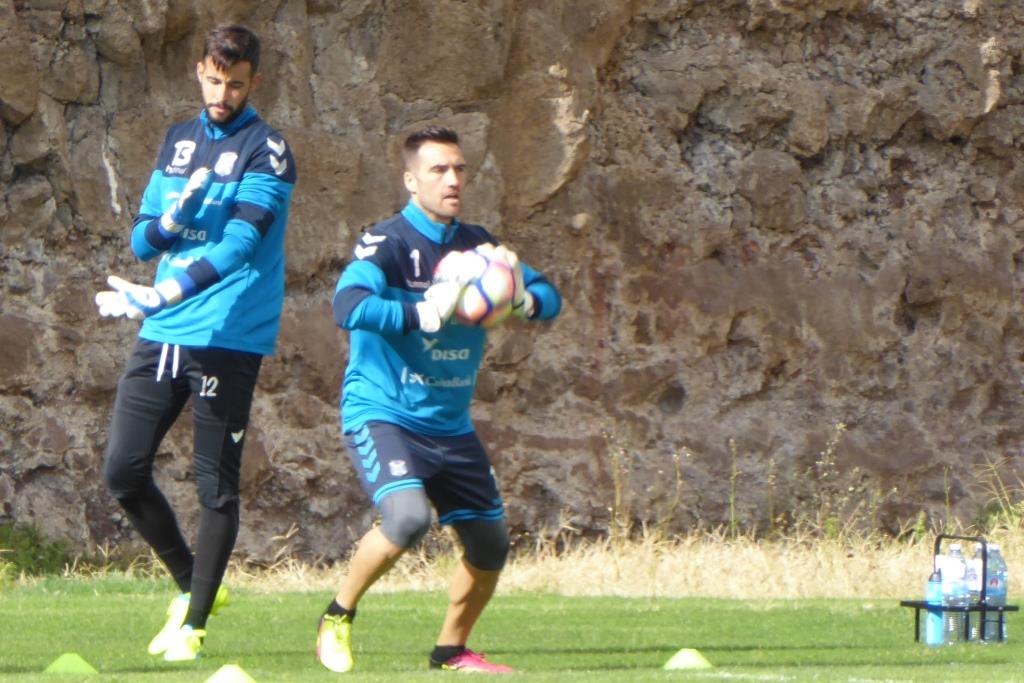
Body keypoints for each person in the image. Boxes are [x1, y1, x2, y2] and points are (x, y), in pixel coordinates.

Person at [316, 125, 562, 674]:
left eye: (460, 169)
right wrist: (419, 312)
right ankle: (336, 616)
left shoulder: (481, 248)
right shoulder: (388, 243)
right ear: (411, 181)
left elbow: (551, 297)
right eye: (438, 170)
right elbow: (346, 305)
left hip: (449, 423)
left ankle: (450, 651)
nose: (453, 180)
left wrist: (522, 298)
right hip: (384, 411)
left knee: (490, 545)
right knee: (405, 521)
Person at [94, 24, 296, 662]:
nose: (223, 92)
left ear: (253, 83)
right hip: (163, 332)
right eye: (214, 80)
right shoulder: (178, 141)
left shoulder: (269, 150)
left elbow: (242, 246)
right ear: (198, 72)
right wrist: (172, 221)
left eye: (236, 84)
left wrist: (167, 291)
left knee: (215, 486)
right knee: (122, 471)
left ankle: (195, 627)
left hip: (227, 336)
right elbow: (140, 241)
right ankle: (191, 583)